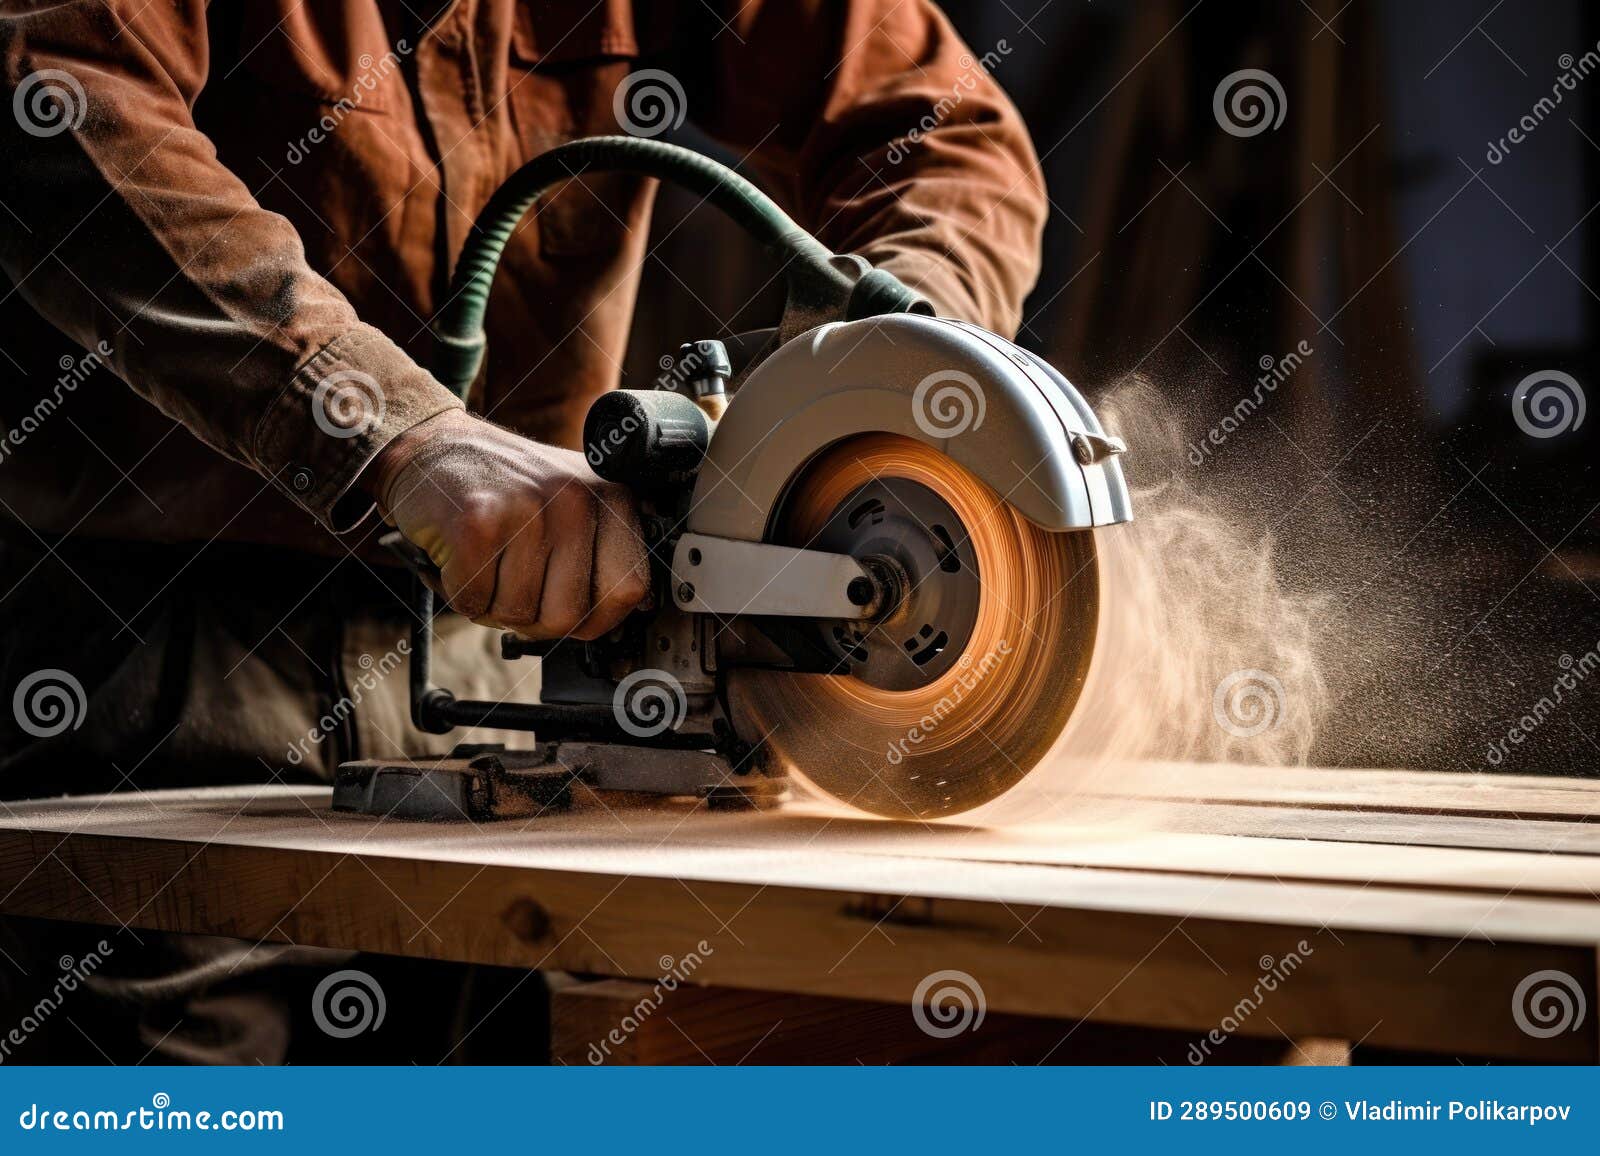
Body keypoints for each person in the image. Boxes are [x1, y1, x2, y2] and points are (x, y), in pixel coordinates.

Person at [0, 0, 1045, 1062]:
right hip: (155, 652)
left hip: (523, 651)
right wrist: (390, 428)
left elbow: (945, 130)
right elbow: (56, 103)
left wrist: (879, 381)